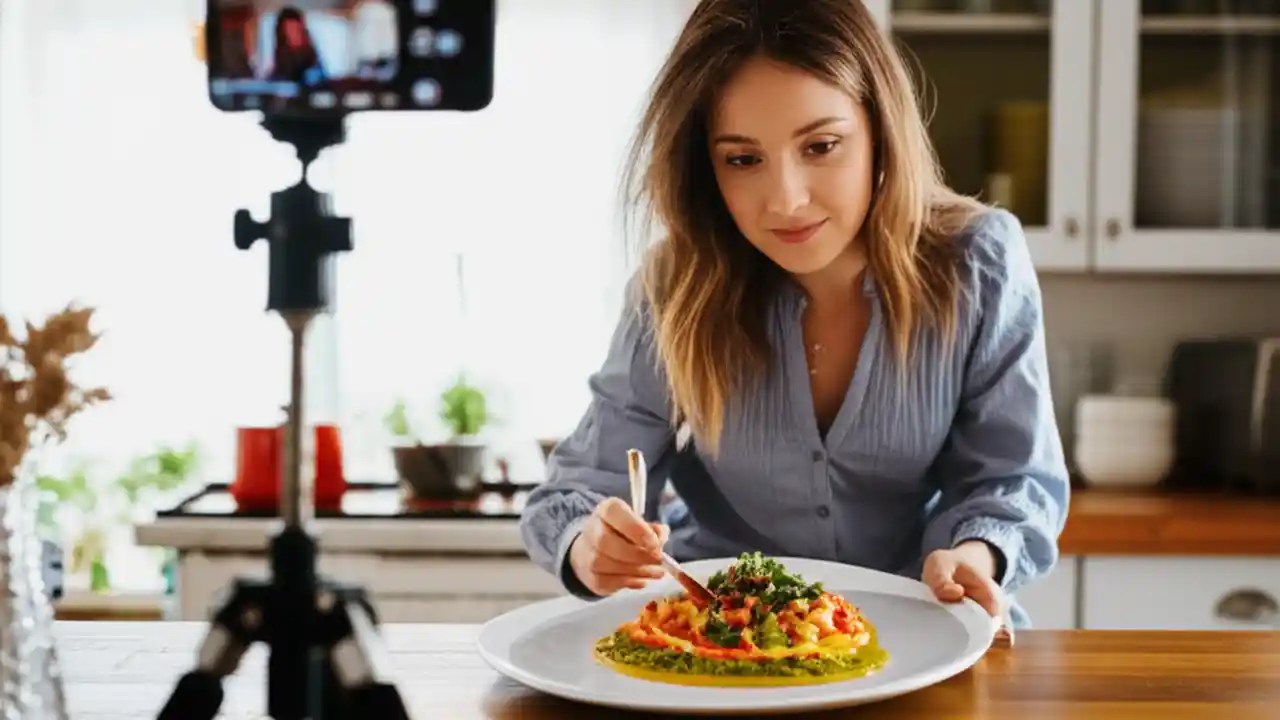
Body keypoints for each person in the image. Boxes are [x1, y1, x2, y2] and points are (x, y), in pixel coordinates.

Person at [518, 0, 1069, 628]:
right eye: (743, 159)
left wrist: (975, 554)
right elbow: (572, 494)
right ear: (706, 167)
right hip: (726, 644)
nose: (786, 199)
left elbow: (1012, 479)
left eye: (822, 145)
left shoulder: (979, 261)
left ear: (879, 129)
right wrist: (591, 547)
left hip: (926, 631)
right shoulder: (677, 285)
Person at [269, 7, 326, 86]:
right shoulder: (282, 55)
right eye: (290, 29)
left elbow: (321, 77)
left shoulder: (310, 53)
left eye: (297, 28)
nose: (295, 33)